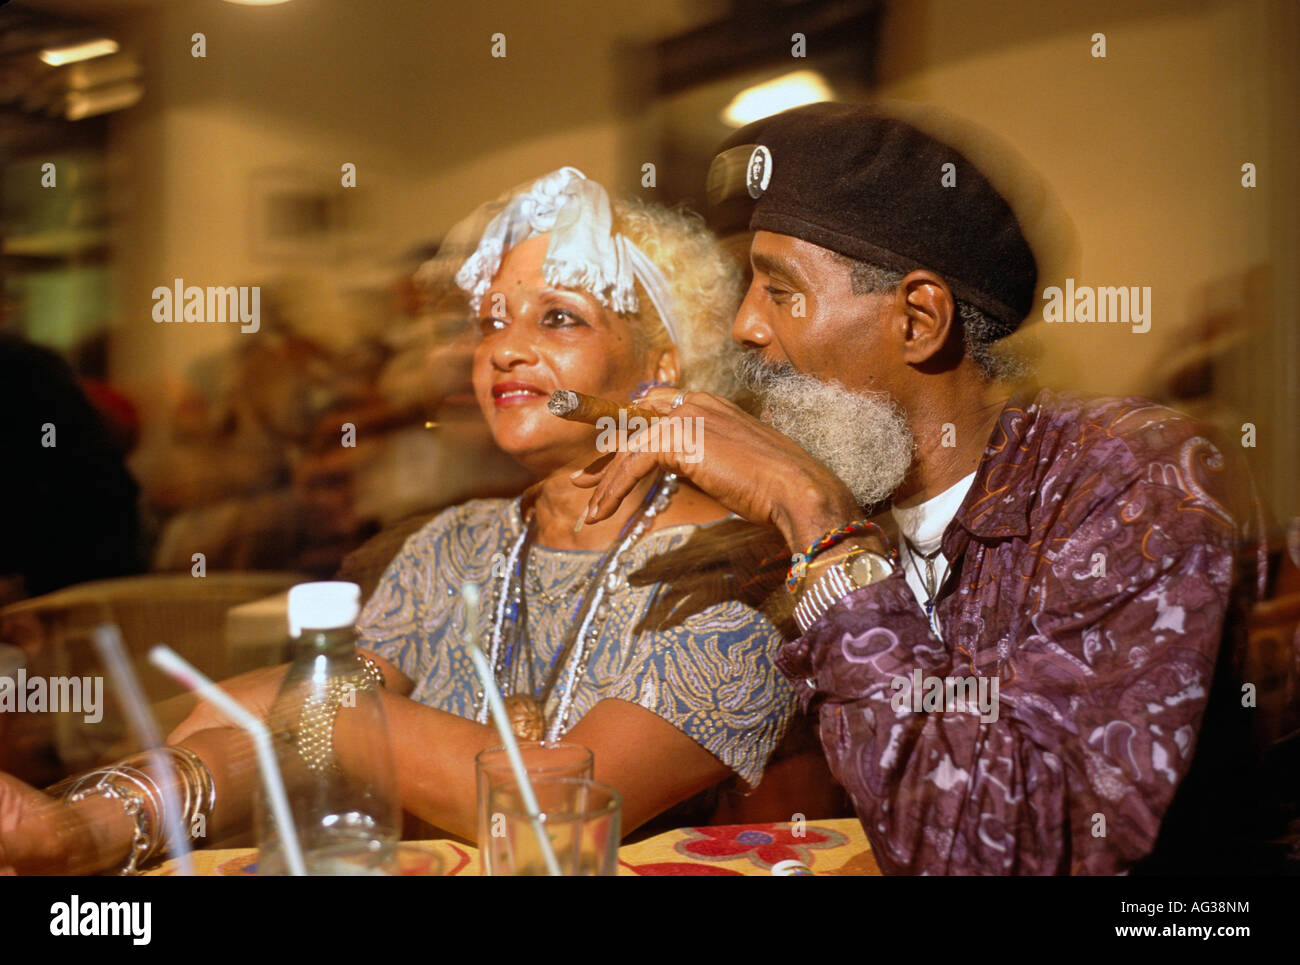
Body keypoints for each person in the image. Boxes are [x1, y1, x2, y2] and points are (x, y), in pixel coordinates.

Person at [0, 168, 797, 874]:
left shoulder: (739, 574)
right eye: (491, 320)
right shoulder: (452, 545)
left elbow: (561, 803)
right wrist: (80, 828)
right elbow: (290, 738)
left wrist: (315, 697)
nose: (505, 350)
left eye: (557, 319)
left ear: (664, 365)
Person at [576, 103, 1269, 874]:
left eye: (779, 290)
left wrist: (818, 521)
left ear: (918, 319)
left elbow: (1013, 850)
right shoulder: (865, 495)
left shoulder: (1130, 481)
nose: (744, 325)